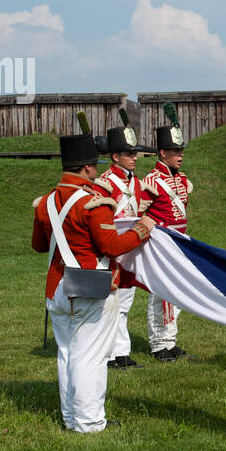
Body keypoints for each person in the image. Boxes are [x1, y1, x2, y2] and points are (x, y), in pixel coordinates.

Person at [31, 132, 155, 433]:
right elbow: (111, 246)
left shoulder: (45, 202)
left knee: (67, 354)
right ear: (87, 168)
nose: (96, 171)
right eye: (94, 167)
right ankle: (89, 422)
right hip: (89, 287)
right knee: (90, 356)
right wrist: (142, 229)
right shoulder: (94, 203)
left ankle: (71, 417)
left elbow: (38, 245)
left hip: (56, 287)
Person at [97, 122, 151, 369]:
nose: (134, 158)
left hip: (130, 249)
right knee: (112, 304)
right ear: (115, 156)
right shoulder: (104, 182)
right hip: (112, 249)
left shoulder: (136, 183)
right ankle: (112, 354)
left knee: (125, 303)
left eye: (135, 153)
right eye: (129, 154)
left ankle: (120, 352)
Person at [142, 121, 192, 362]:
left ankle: (170, 341)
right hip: (161, 244)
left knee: (176, 295)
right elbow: (139, 214)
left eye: (181, 150)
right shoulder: (151, 181)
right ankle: (158, 344)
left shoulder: (182, 180)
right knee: (161, 294)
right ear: (163, 152)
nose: (180, 155)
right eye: (176, 151)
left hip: (179, 242)